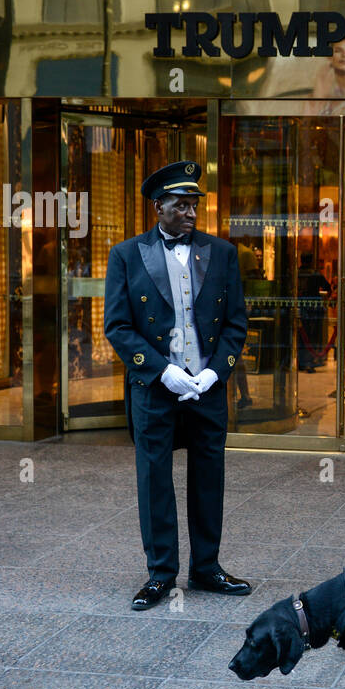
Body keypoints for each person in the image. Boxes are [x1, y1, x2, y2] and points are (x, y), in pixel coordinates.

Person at [103, 161, 252, 610]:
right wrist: (162, 370)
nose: (190, 213)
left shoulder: (221, 252)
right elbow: (118, 326)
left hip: (206, 388)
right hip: (155, 387)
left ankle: (206, 568)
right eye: (181, 205)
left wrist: (214, 372)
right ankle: (160, 574)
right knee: (155, 481)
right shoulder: (126, 255)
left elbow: (235, 323)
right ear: (158, 207)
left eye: (194, 205)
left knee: (209, 478)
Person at [297, 252, 332, 372]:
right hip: (314, 309)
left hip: (299, 308)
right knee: (312, 336)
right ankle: (310, 362)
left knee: (301, 336)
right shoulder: (316, 274)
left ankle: (300, 362)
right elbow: (328, 287)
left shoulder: (296, 273)